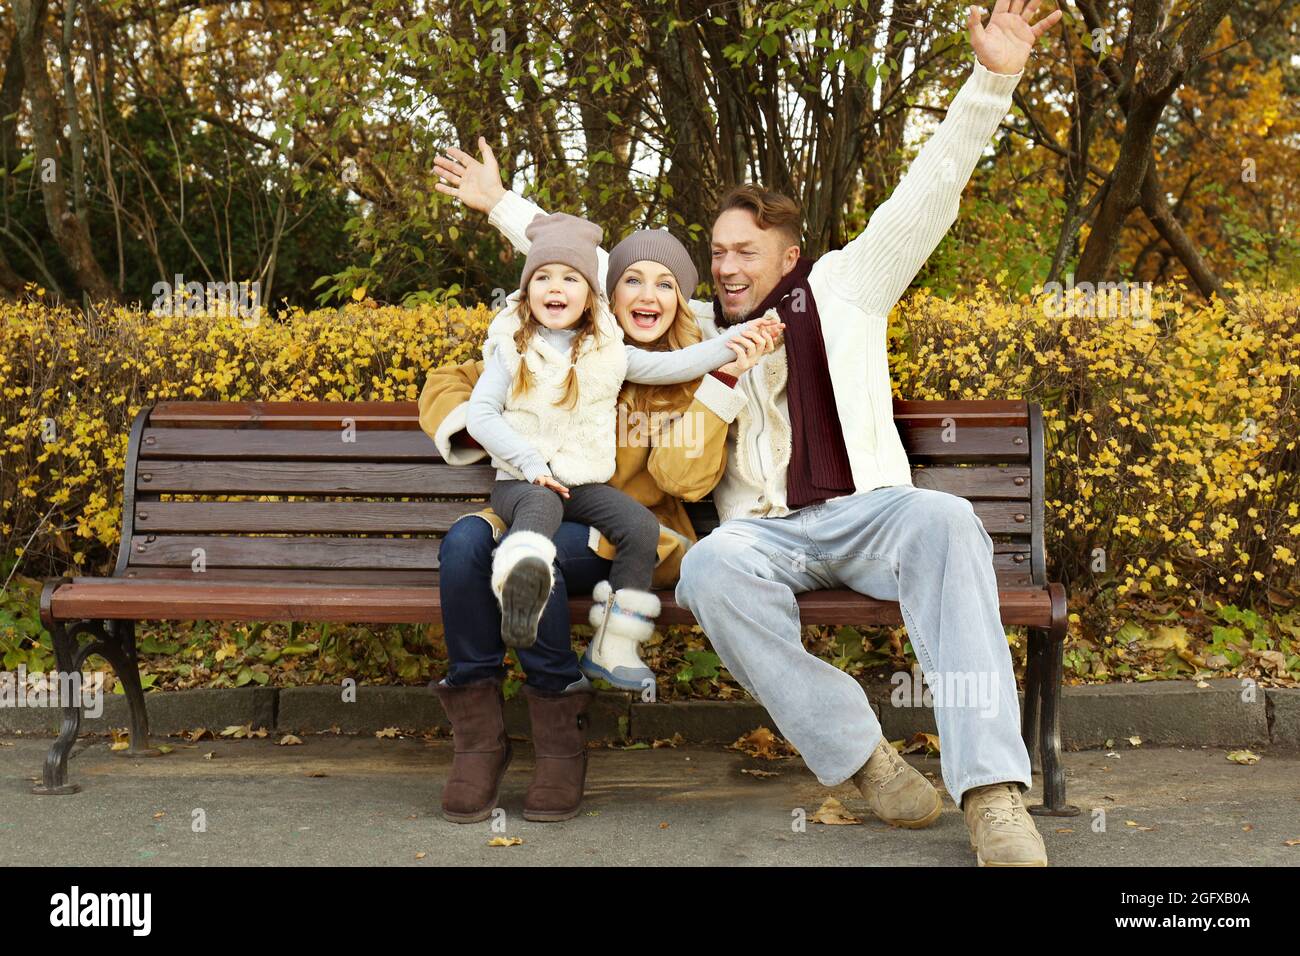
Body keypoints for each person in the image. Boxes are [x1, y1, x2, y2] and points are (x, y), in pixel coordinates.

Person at [435, 0, 1063, 863]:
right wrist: (501, 203)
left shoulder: (847, 287)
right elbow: (596, 274)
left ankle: (993, 794)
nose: (726, 267)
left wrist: (993, 81)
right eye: (718, 253)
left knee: (949, 521)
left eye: (744, 252)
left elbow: (931, 191)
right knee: (710, 567)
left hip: (866, 512)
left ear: (787, 256)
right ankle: (862, 756)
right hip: (763, 537)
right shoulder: (694, 329)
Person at [420, 210, 778, 823]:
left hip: (620, 538)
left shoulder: (681, 374)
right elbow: (455, 383)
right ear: (606, 296)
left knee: (546, 557)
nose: (649, 295)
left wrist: (720, 374)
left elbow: (680, 478)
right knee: (462, 546)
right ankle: (479, 745)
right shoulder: (550, 349)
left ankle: (560, 746)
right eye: (633, 280)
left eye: (666, 283)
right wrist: (507, 441)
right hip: (537, 498)